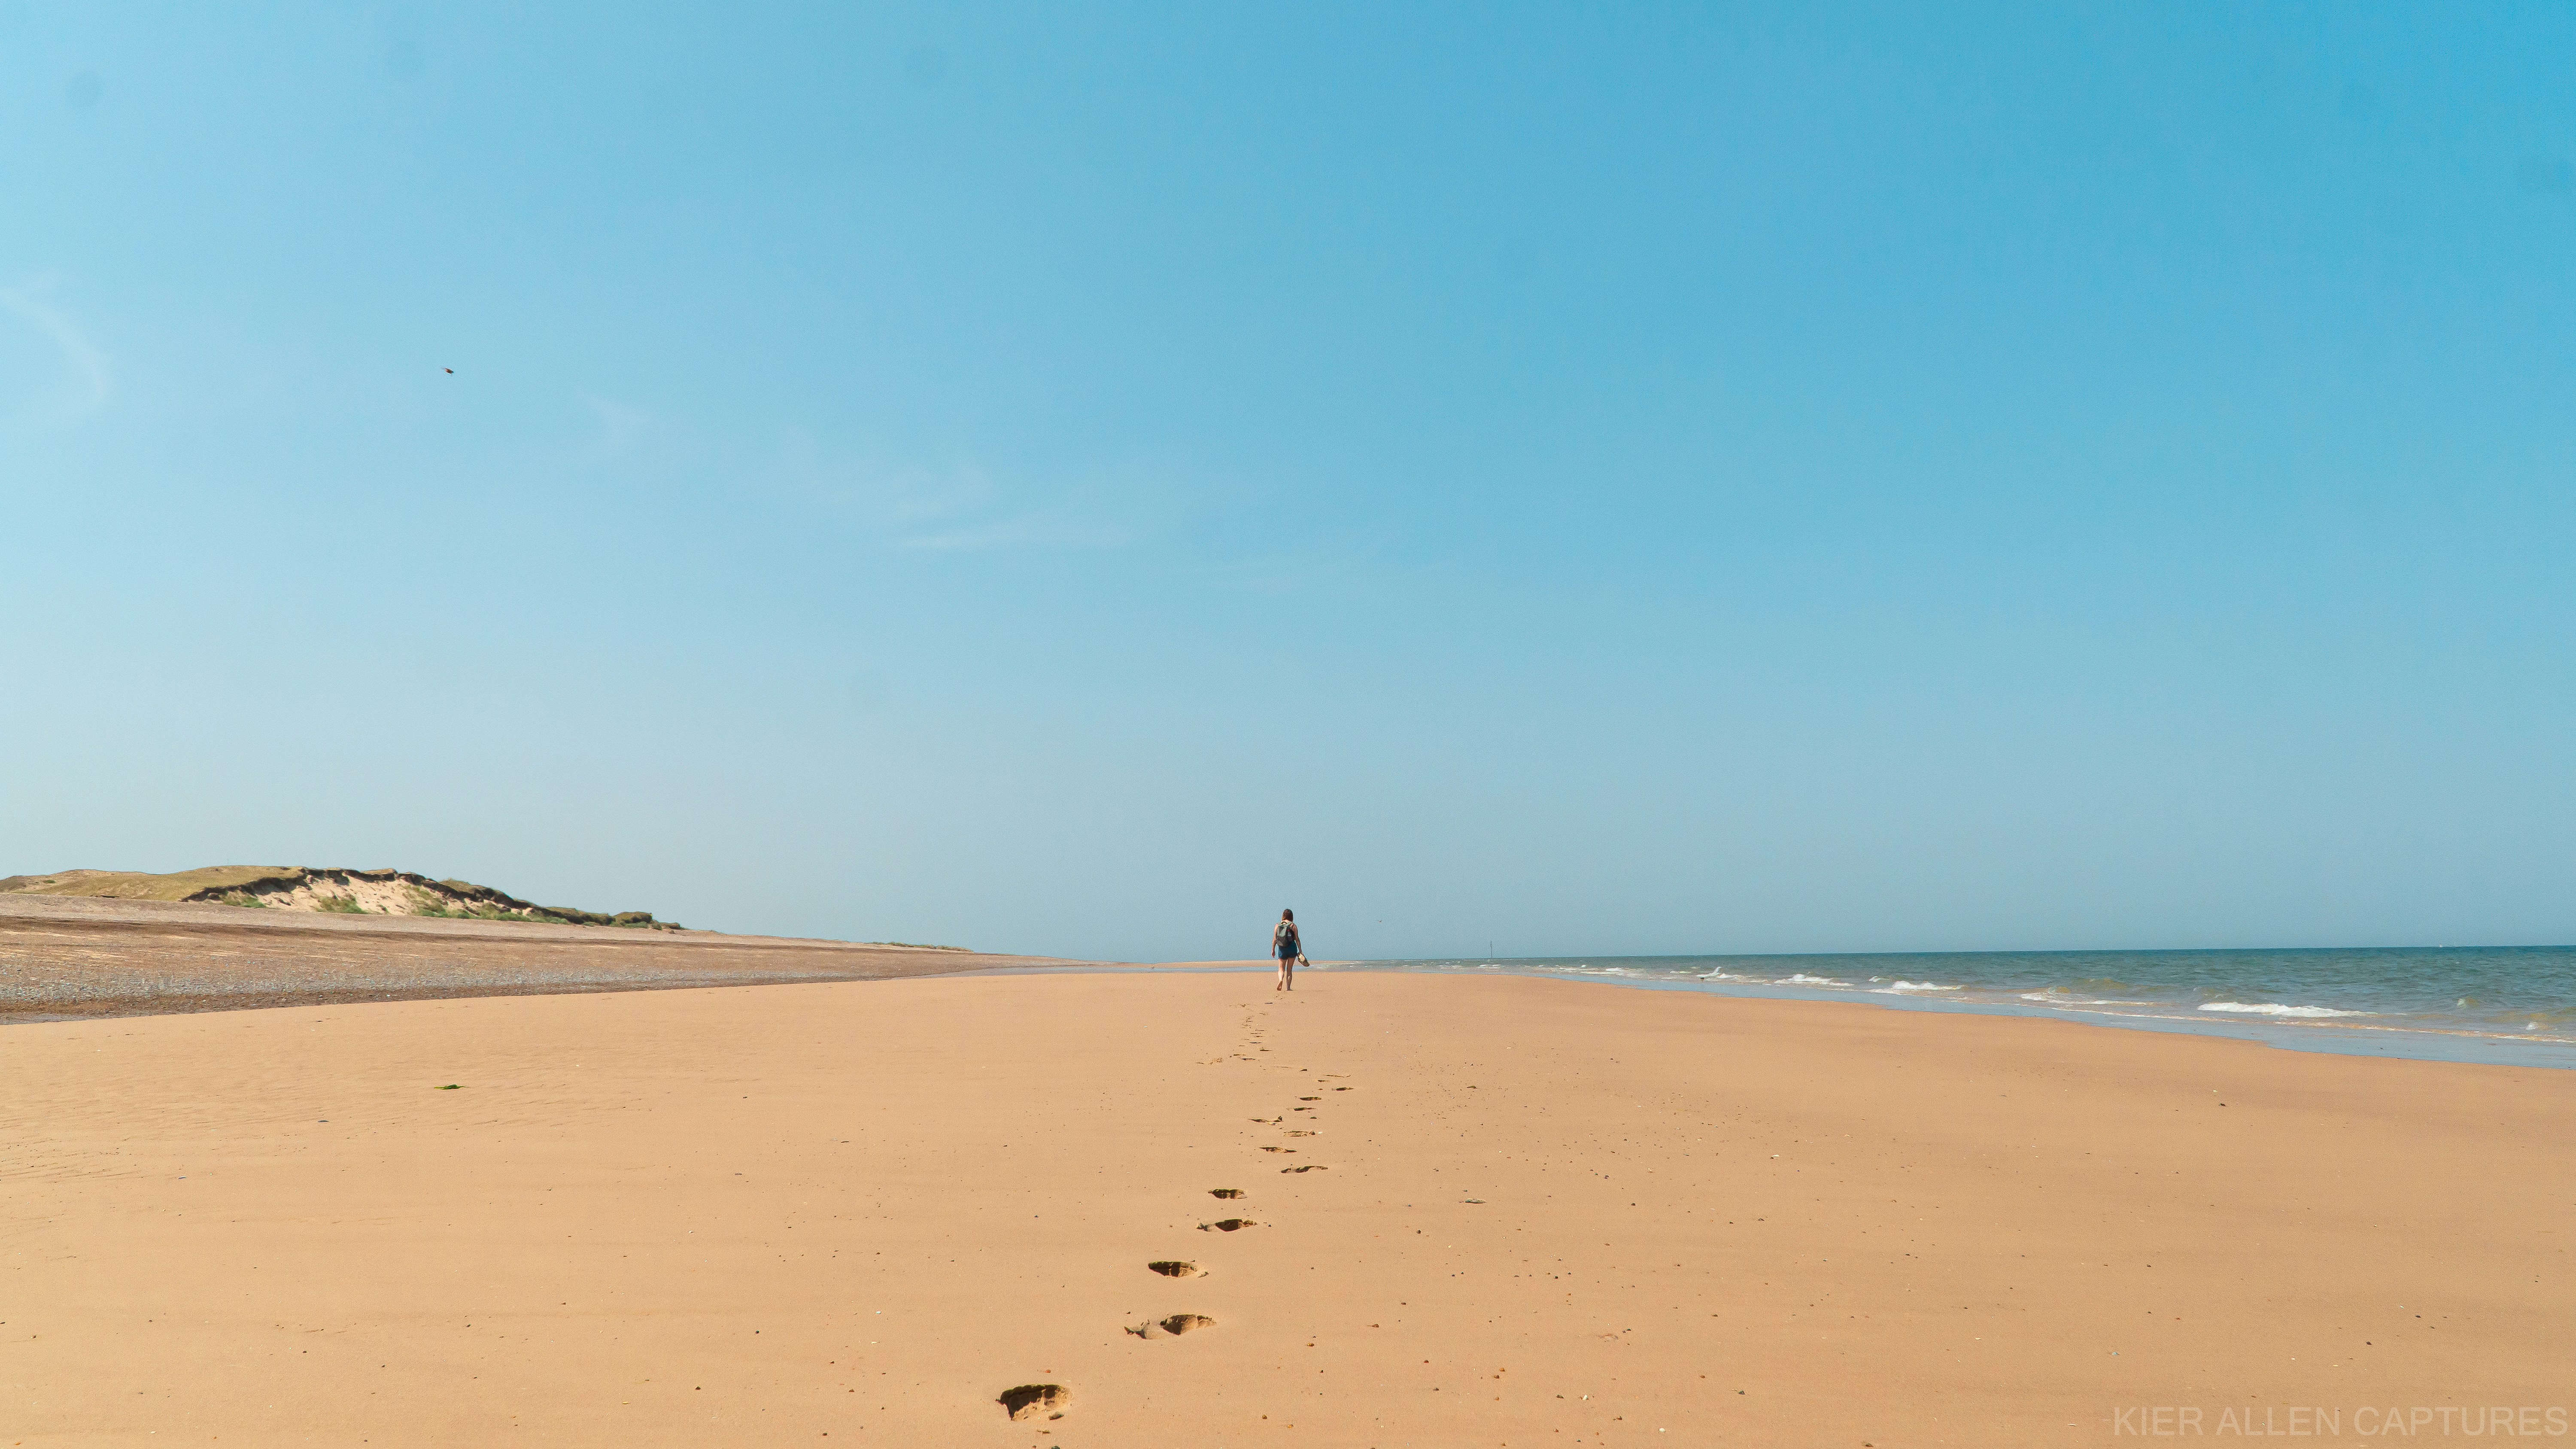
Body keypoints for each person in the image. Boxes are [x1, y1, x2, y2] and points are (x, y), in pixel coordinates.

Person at [1272, 909, 1304, 991]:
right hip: (1292, 948)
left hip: (1282, 949)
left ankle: (1280, 980)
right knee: (1289, 970)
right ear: (1292, 916)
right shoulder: (1293, 926)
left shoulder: (1277, 926)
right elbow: (1297, 939)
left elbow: (1275, 940)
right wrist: (1300, 951)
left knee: (1281, 969)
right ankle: (1288, 988)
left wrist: (1273, 950)